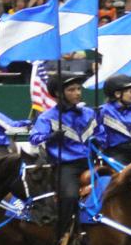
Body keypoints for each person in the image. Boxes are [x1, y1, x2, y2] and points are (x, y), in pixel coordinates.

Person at [29, 73, 100, 236]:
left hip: (92, 162)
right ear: (59, 93)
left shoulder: (89, 113)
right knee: (69, 197)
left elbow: (101, 133)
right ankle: (63, 236)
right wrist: (51, 136)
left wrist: (99, 140)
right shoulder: (48, 117)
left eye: (79, 89)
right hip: (67, 167)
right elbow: (34, 138)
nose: (77, 93)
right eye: (71, 90)